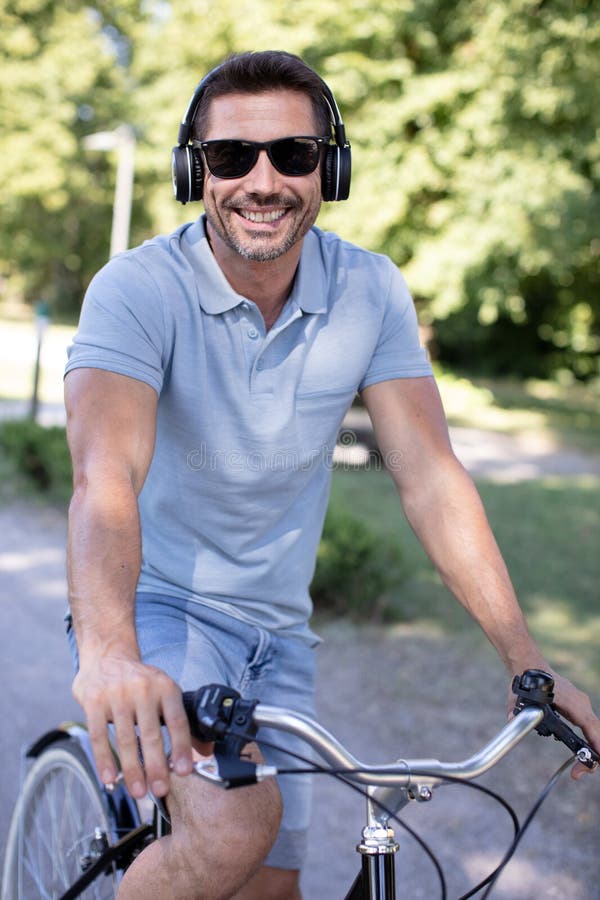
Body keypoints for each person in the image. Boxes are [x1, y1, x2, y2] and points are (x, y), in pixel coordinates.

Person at [64, 50, 599, 900]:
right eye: (232, 157)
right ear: (194, 171)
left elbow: (428, 475)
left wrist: (525, 663)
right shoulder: (136, 291)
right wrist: (109, 657)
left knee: (274, 885)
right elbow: (105, 479)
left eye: (295, 154)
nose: (263, 181)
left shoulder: (369, 290)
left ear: (332, 167)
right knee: (239, 825)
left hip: (280, 634)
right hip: (160, 612)